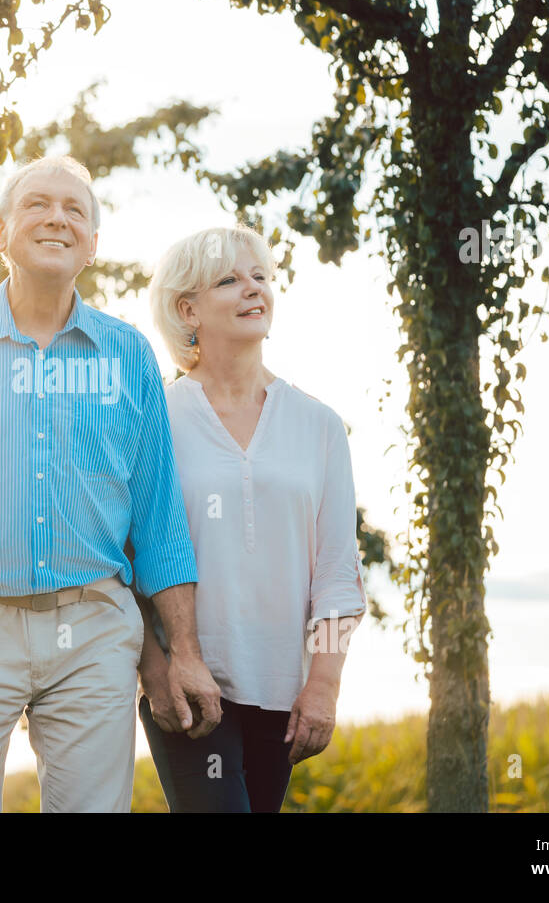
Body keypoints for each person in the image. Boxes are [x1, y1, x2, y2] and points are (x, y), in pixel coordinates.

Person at [0, 155, 222, 812]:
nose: (57, 217)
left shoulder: (129, 355)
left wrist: (183, 654)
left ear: (91, 245)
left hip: (94, 630)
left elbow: (160, 520)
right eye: (38, 204)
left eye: (74, 210)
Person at [138, 224, 367, 812]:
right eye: (229, 280)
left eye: (261, 277)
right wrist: (155, 669)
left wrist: (324, 684)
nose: (253, 289)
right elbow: (124, 559)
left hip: (283, 695)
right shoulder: (153, 420)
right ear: (187, 309)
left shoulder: (320, 426)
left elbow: (339, 575)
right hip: (190, 688)